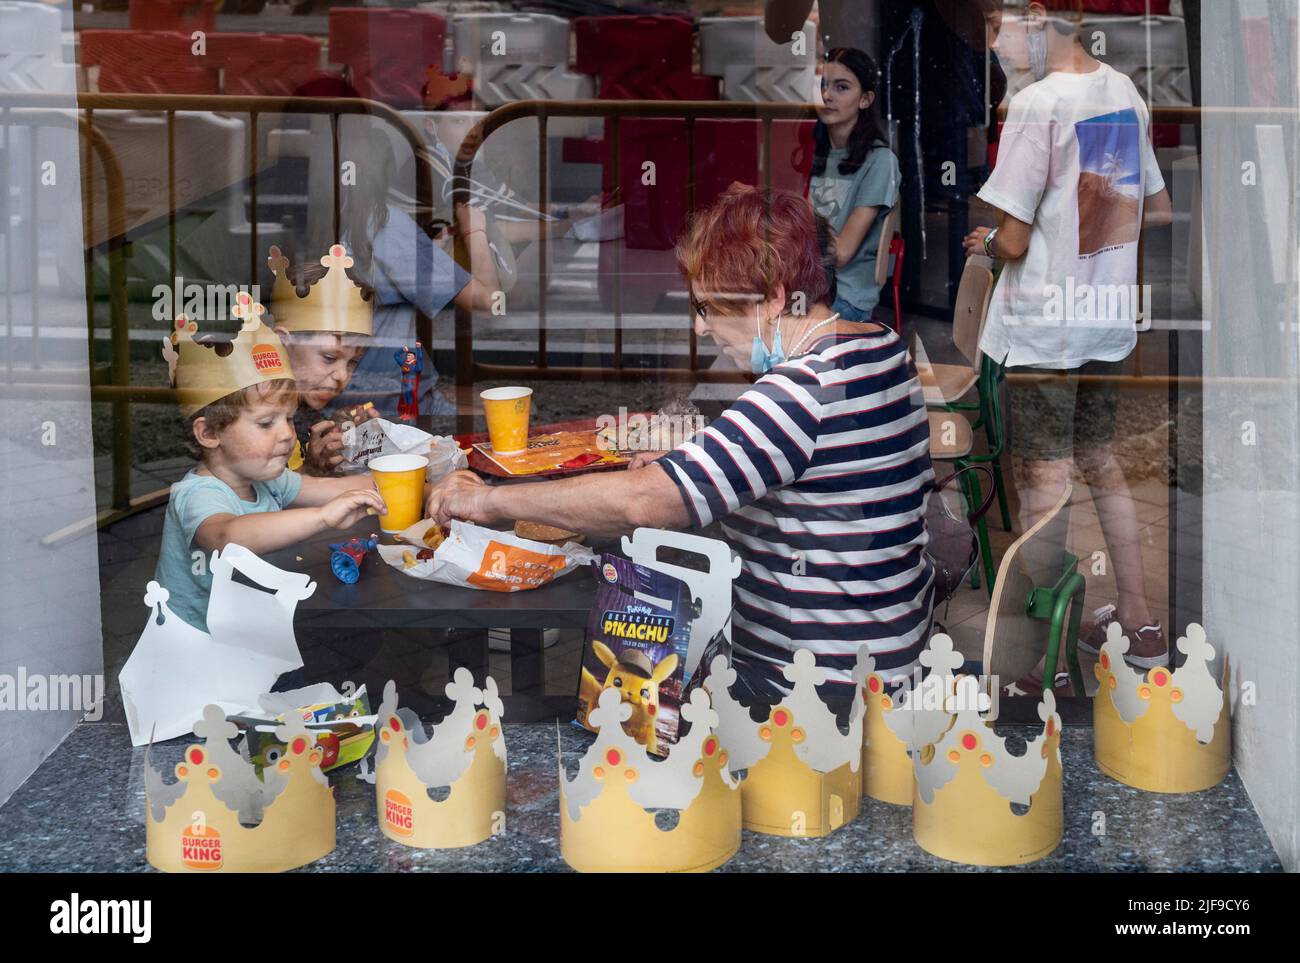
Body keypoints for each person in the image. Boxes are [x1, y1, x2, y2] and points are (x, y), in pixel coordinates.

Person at [426, 185, 935, 703]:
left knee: (627, 695)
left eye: (711, 306)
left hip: (813, 683)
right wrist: (691, 463)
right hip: (887, 651)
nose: (700, 325)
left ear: (776, 297)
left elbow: (643, 502)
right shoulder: (881, 345)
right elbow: (816, 465)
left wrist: (486, 500)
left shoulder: (799, 392)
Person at [962, 2, 1174, 672]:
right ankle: (1139, 621)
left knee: (1044, 478)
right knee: (1102, 461)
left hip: (1047, 327)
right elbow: (1156, 210)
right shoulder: (1123, 91)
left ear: (1040, 18)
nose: (997, 42)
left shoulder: (1036, 104)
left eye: (1002, 25)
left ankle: (1042, 649)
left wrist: (992, 241)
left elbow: (1017, 236)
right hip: (1103, 318)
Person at [156, 300, 385, 632]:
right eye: (266, 423)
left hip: (253, 630)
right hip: (203, 651)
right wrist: (323, 517)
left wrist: (425, 486)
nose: (287, 435)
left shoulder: (266, 478)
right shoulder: (199, 494)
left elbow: (334, 488)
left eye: (289, 419)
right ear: (208, 433)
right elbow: (227, 536)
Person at [339, 129, 501, 420]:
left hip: (346, 388)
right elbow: (487, 301)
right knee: (504, 416)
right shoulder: (387, 224)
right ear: (390, 172)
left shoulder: (344, 218)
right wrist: (474, 229)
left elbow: (391, 272)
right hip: (390, 399)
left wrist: (429, 253)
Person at [268, 244, 380, 476]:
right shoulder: (255, 411)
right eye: (329, 358)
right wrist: (310, 470)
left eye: (352, 363)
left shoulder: (303, 404)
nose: (342, 376)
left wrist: (337, 426)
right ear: (281, 341)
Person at [807, 48, 900, 323]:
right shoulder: (809, 154)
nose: (827, 95)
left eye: (841, 87)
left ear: (865, 99)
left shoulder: (880, 162)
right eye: (822, 86)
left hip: (844, 297)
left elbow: (842, 252)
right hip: (805, 285)